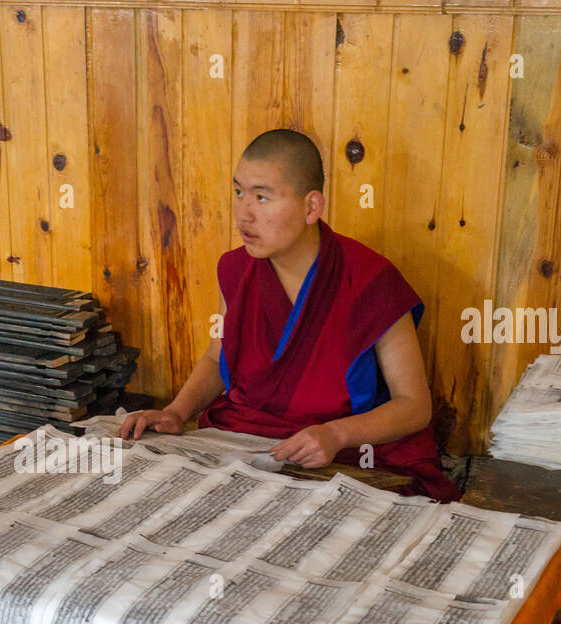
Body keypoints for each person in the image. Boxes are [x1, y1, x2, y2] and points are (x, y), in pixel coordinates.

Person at [118, 129, 459, 502]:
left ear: (312, 207)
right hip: (253, 439)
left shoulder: (369, 279)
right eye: (238, 193)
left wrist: (335, 435)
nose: (243, 213)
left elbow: (413, 405)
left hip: (343, 448)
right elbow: (219, 357)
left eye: (262, 197)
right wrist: (176, 411)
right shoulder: (235, 270)